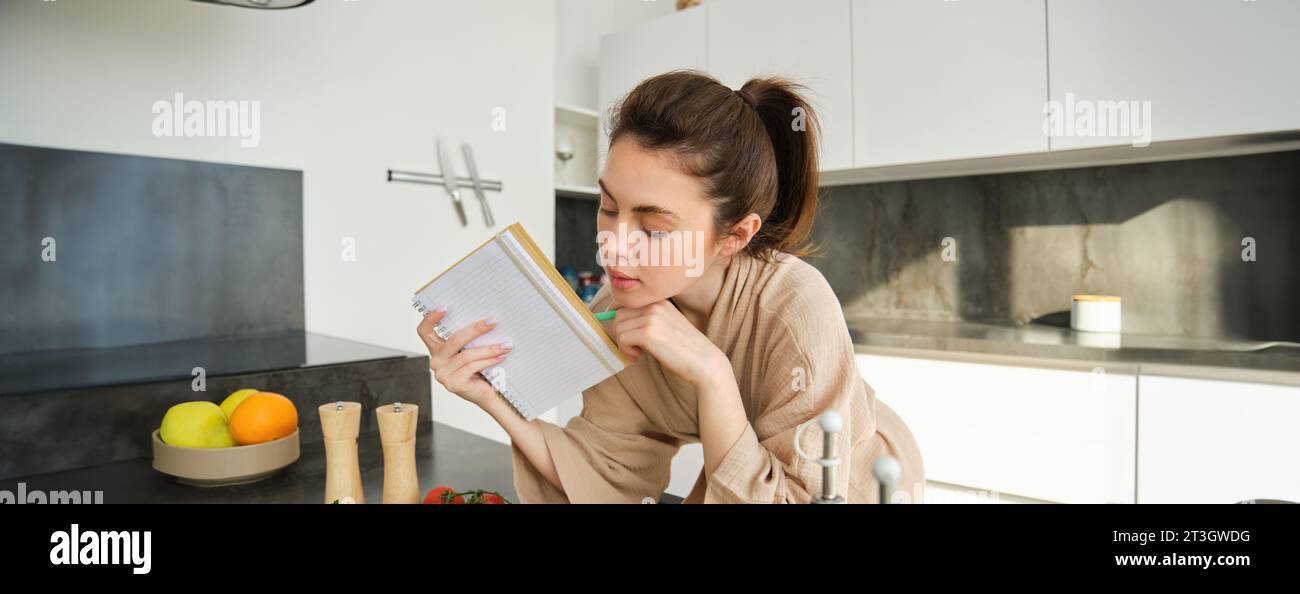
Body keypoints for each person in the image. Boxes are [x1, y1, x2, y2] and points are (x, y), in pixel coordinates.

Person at [417, 71, 924, 503]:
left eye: (654, 230)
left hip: (855, 478)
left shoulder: (795, 307)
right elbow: (606, 471)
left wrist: (713, 374)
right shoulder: (619, 306)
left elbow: (803, 491)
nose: (615, 247)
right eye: (609, 208)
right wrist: (494, 398)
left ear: (735, 235)